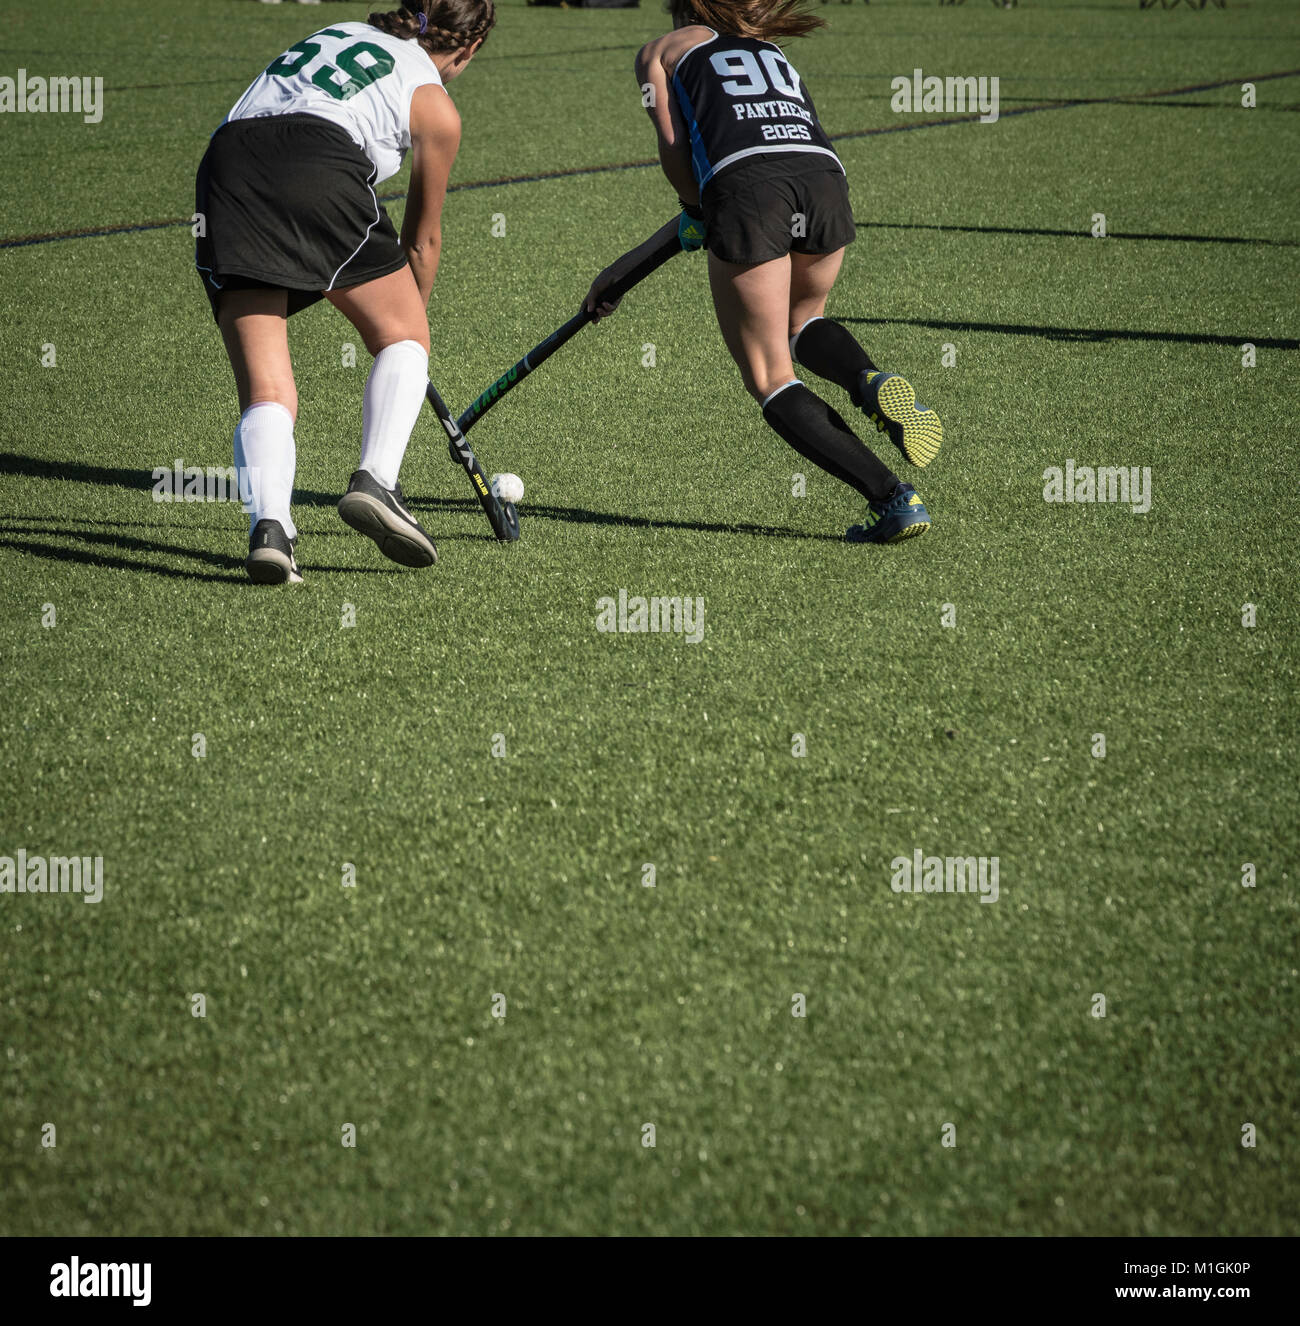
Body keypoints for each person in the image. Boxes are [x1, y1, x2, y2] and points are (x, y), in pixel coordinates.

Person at [583, 0, 942, 544]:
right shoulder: (769, 49)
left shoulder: (662, 51)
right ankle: (869, 380)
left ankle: (894, 498)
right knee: (804, 322)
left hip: (747, 188)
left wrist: (696, 206)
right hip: (823, 177)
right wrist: (625, 267)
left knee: (770, 375)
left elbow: (675, 149)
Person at [195, 1, 495, 583]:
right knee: (402, 336)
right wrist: (409, 337)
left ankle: (271, 530)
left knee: (266, 387)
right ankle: (376, 480)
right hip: (319, 160)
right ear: (469, 48)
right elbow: (421, 242)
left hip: (227, 166)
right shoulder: (435, 103)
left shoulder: (337, 32)